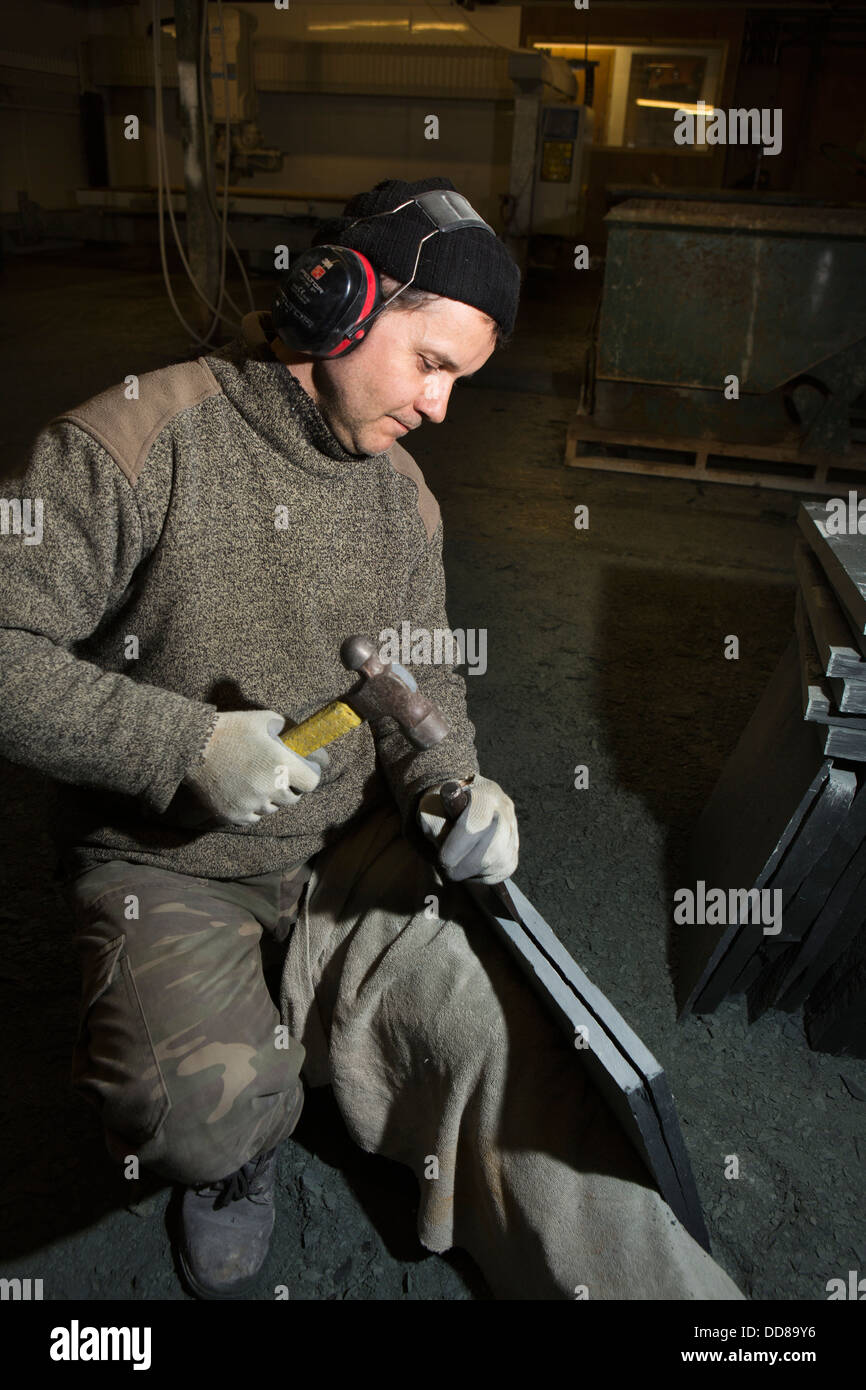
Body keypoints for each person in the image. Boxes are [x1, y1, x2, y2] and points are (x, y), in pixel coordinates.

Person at [0, 176, 745, 1301]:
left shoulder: (402, 499)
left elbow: (420, 678)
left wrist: (456, 788)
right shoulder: (133, 442)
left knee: (515, 1059)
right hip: (170, 864)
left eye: (460, 381)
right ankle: (241, 1140)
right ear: (338, 300)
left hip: (349, 850)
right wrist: (181, 747)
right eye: (431, 365)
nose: (440, 409)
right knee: (183, 1115)